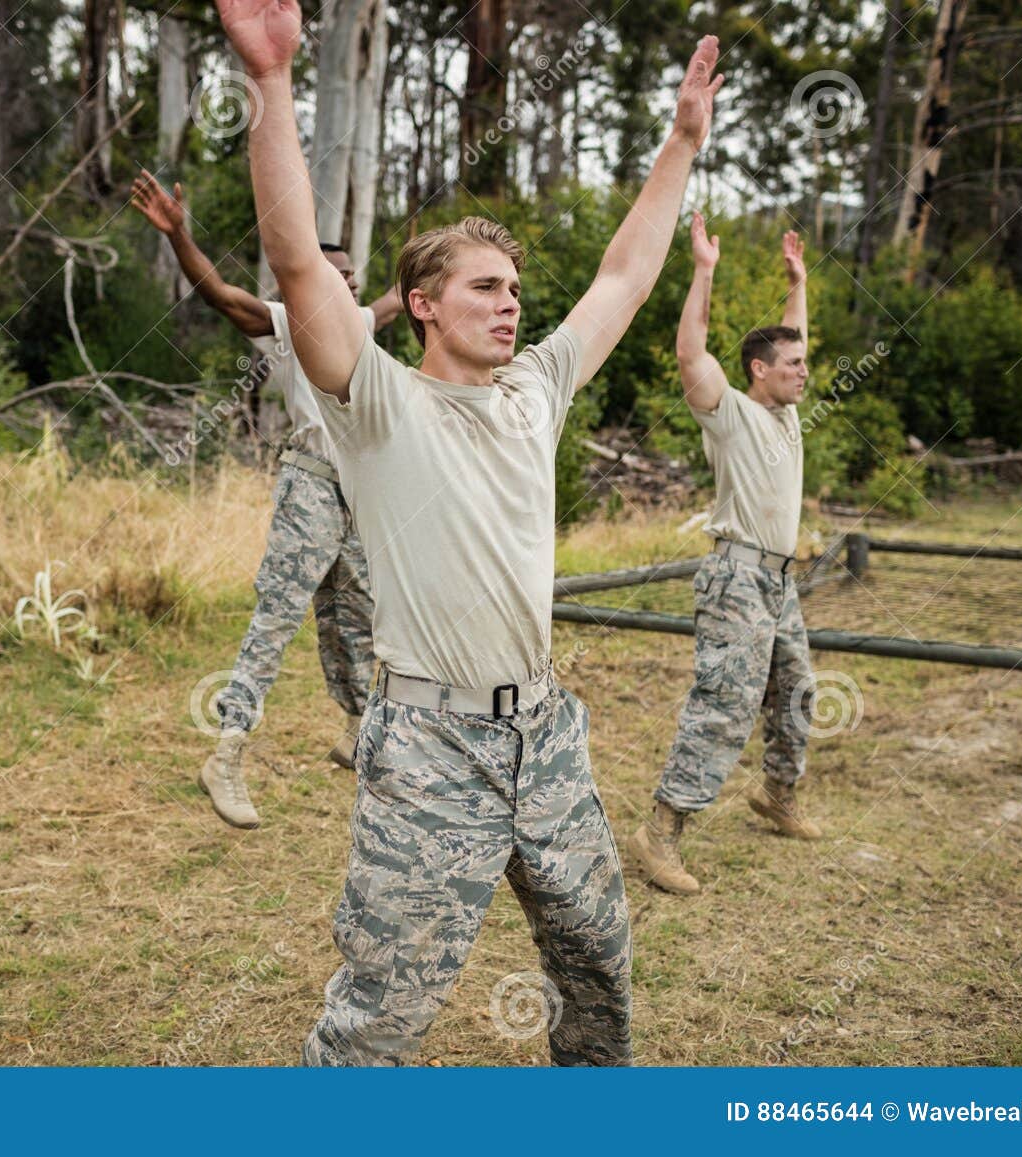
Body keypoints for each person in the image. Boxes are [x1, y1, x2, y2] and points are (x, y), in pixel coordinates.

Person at [214, 0, 722, 1064]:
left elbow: (624, 277)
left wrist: (678, 144)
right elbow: (297, 263)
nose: (511, 306)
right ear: (422, 305)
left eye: (516, 290)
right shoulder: (377, 402)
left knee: (597, 964)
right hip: (430, 748)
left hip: (545, 733)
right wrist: (269, 87)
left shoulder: (536, 386)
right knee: (380, 1015)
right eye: (485, 289)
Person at [130, 170, 401, 829]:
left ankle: (357, 729)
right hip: (309, 483)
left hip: (357, 494)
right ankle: (226, 753)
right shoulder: (288, 323)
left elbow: (398, 299)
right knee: (277, 618)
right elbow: (221, 295)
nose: (347, 287)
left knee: (357, 618)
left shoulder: (359, 323)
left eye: (352, 280)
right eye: (332, 277)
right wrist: (179, 237)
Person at [630, 215, 822, 898]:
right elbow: (691, 353)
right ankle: (662, 831)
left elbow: (790, 338)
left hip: (779, 580)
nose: (805, 372)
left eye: (804, 363)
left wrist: (796, 283)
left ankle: (777, 794)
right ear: (757, 372)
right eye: (793, 365)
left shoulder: (787, 413)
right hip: (736, 575)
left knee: (797, 689)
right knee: (724, 704)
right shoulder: (731, 412)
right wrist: (703, 268)